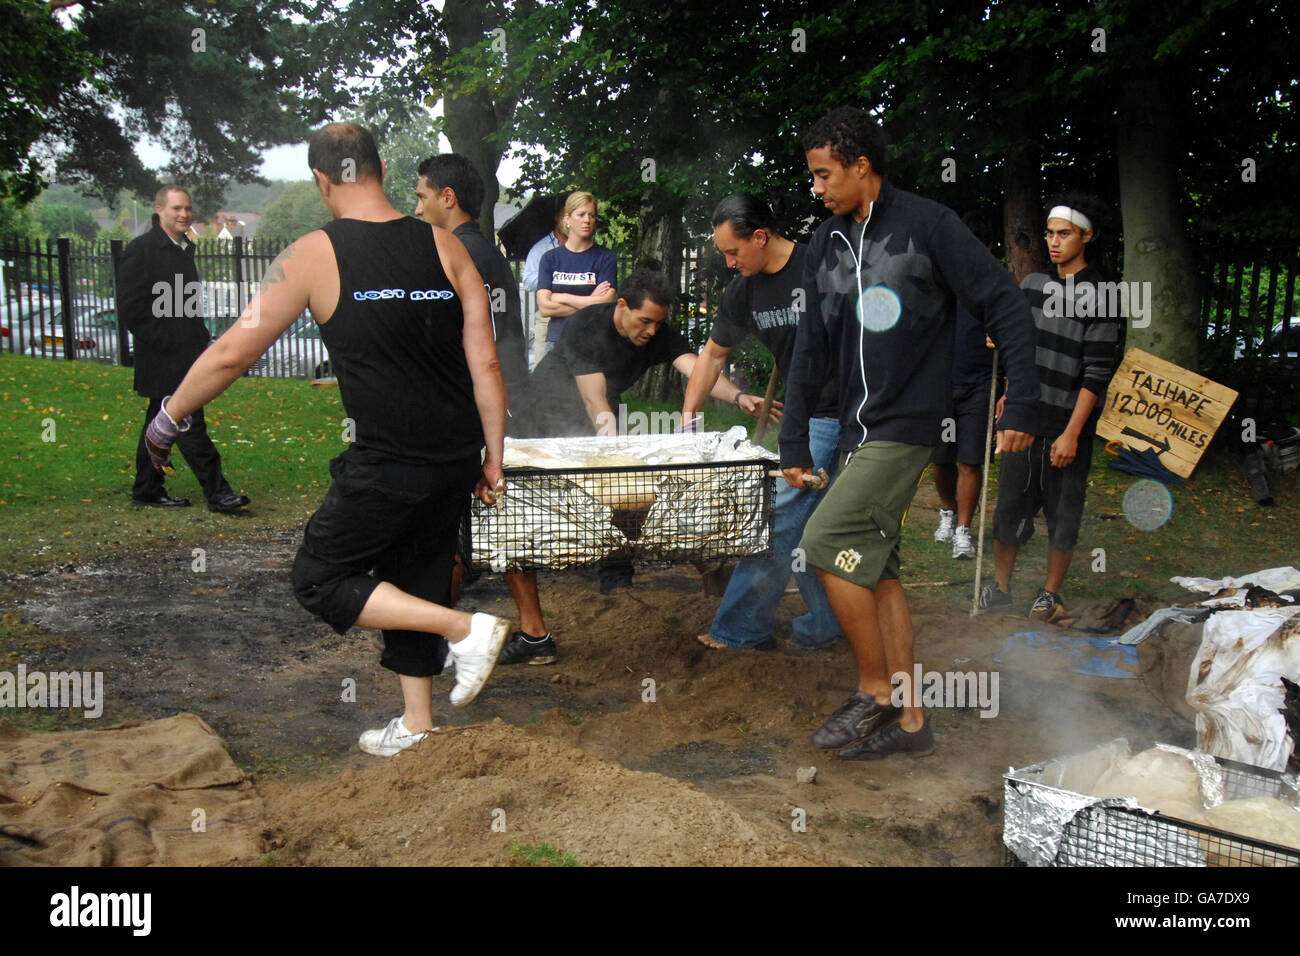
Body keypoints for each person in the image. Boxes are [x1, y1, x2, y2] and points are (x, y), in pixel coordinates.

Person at [142, 123, 512, 757]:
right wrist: (493, 457)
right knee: (414, 578)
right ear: (380, 166)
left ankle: (465, 629)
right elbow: (486, 363)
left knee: (319, 578)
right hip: (454, 457)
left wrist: (169, 416)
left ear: (322, 180)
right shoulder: (447, 247)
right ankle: (418, 724)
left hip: (389, 462)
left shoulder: (314, 253)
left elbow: (232, 352)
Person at [780, 106, 1039, 760]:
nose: (817, 189)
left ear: (862, 166)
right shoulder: (823, 243)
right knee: (879, 569)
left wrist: (1026, 403)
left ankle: (875, 689)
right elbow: (809, 347)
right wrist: (791, 439)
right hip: (852, 429)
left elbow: (1004, 303)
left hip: (908, 422)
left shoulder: (929, 226)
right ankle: (915, 720)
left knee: (826, 539)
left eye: (824, 175)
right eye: (813, 178)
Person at [413, 153, 557, 667]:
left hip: (478, 405)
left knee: (446, 523)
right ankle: (534, 634)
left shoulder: (454, 252)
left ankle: (434, 642)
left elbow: (464, 343)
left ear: (447, 198)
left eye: (422, 195)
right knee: (497, 521)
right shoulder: (487, 252)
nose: (418, 204)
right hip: (504, 398)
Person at [523, 267, 748, 596]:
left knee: (623, 488)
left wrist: (740, 397)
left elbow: (699, 369)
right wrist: (614, 454)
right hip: (548, 405)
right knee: (578, 486)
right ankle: (541, 559)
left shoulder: (658, 331)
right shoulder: (587, 325)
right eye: (645, 321)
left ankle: (617, 574)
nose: (652, 331)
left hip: (602, 401)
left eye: (658, 322)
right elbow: (593, 399)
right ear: (622, 305)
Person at [682, 194, 843, 651]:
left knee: (779, 517)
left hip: (839, 411)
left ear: (760, 236)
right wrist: (688, 417)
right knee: (810, 524)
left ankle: (740, 627)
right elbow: (712, 355)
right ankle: (827, 623)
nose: (730, 263)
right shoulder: (745, 290)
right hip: (800, 414)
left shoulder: (819, 265)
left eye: (734, 252)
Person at [979, 193, 1123, 622]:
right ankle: (1001, 589)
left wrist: (1072, 433)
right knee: (1010, 506)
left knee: (1064, 512)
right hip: (1024, 416)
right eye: (1050, 233)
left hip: (1065, 420)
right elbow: (1020, 350)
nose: (1054, 242)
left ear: (1087, 236)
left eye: (1064, 234)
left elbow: (1097, 373)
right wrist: (1007, 386)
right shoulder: (1033, 285)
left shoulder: (1104, 295)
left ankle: (1049, 594)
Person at [117, 185, 250, 513]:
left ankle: (147, 488)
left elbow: (187, 303)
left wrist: (199, 336)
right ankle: (218, 494)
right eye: (177, 208)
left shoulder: (183, 248)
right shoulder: (142, 250)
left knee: (159, 421)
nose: (184, 214)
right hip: (163, 359)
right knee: (189, 422)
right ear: (159, 209)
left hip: (187, 355)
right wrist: (166, 343)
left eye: (188, 209)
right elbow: (130, 308)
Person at [932, 209, 998, 560]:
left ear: (989, 248)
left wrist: (1000, 335)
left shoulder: (997, 287)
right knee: (941, 459)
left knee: (970, 461)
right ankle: (947, 512)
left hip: (980, 384)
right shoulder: (941, 280)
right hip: (941, 385)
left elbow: (1016, 332)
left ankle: (963, 531)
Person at [536, 191, 617, 352]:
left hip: (593, 342)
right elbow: (545, 308)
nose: (587, 220)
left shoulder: (606, 257)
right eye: (581, 214)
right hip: (557, 342)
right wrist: (591, 300)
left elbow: (606, 304)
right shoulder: (550, 259)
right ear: (567, 219)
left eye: (592, 215)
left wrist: (563, 297)